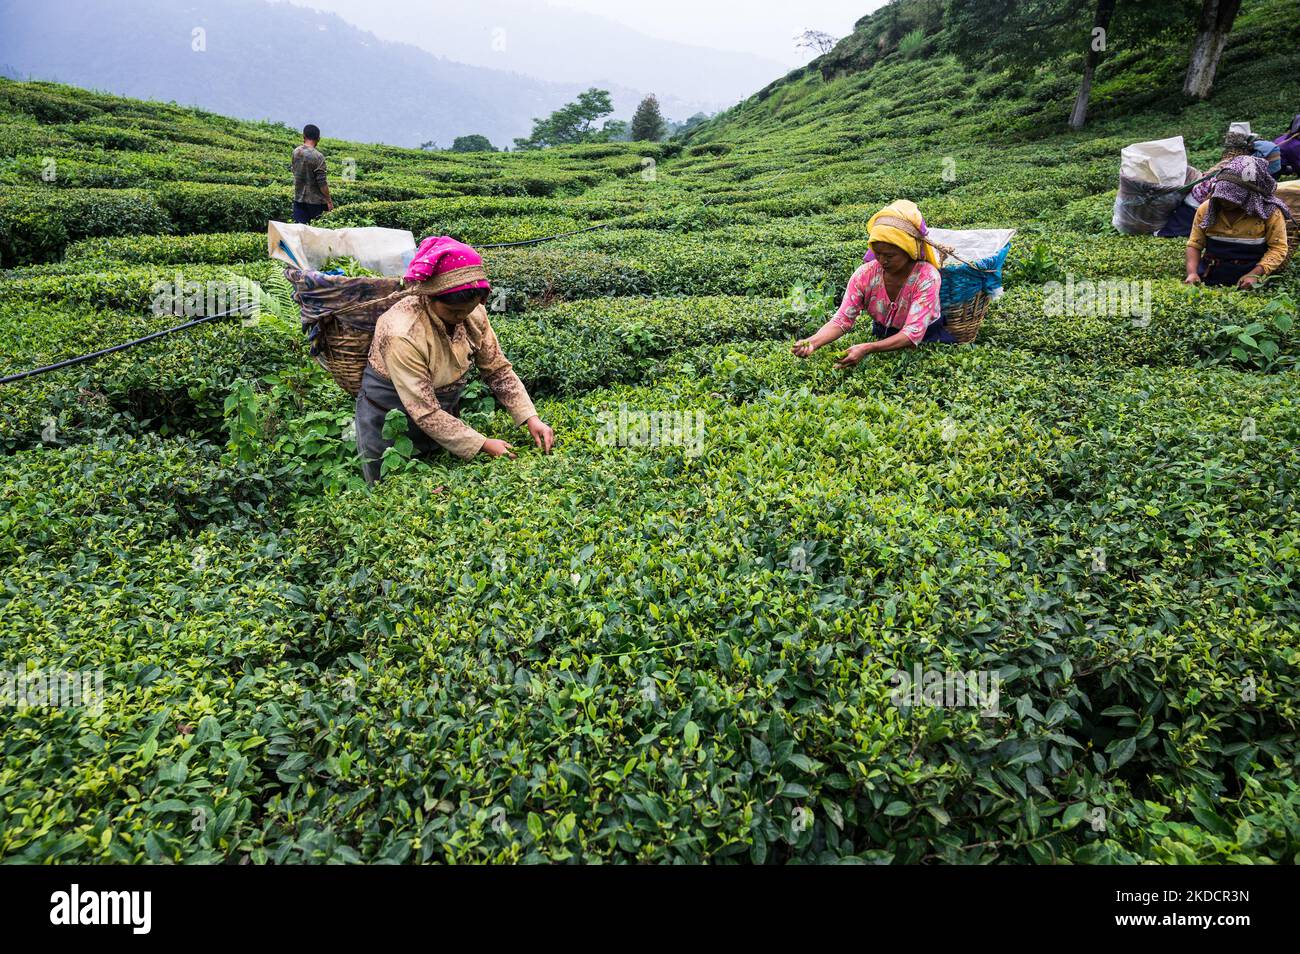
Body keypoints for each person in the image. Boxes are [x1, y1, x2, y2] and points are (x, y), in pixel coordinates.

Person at [354, 237, 555, 483]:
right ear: (430, 297)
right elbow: (425, 411)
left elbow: (497, 370)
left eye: (467, 309)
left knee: (438, 482)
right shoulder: (402, 332)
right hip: (390, 412)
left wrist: (530, 417)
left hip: (443, 409)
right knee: (391, 483)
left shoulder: (473, 314)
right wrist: (481, 443)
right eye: (452, 311)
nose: (461, 317)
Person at [792, 200, 951, 367]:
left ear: (909, 250)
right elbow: (842, 319)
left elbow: (912, 334)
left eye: (889, 256)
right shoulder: (865, 275)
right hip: (881, 335)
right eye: (878, 253)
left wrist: (867, 348)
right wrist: (813, 342)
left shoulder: (926, 277)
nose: (882, 260)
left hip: (928, 339)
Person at [1185, 155, 1291, 289]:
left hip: (1252, 278)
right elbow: (1195, 244)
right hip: (1210, 274)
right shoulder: (1206, 208)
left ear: (1249, 195)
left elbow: (1278, 248)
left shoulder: (1269, 213)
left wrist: (1254, 275)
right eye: (1221, 197)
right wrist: (1192, 273)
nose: (1224, 202)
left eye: (1232, 198)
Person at [292, 124, 334, 225]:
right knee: (316, 232)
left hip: (299, 199)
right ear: (318, 139)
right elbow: (322, 183)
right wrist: (329, 200)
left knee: (300, 231)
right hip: (316, 203)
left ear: (304, 136)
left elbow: (293, 170)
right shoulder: (318, 157)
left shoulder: (296, 152)